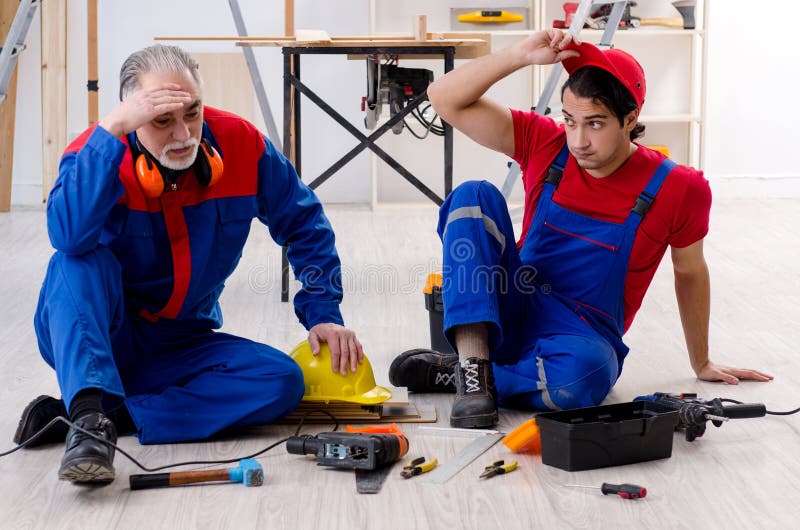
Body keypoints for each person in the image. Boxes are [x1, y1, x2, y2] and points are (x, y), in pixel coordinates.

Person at [13, 44, 364, 483]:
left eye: (191, 113)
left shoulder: (240, 143)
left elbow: (304, 223)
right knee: (77, 262)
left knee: (281, 381)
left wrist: (323, 314)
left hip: (181, 343)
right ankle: (87, 421)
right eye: (162, 119)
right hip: (101, 335)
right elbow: (66, 236)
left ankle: (113, 414)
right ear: (132, 115)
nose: (183, 135)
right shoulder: (96, 152)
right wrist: (113, 130)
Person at [388, 29, 772, 428]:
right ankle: (473, 366)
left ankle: (464, 374)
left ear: (631, 119)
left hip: (580, 335)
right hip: (513, 301)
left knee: (581, 380)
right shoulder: (545, 143)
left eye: (595, 123)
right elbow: (444, 99)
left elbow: (690, 272)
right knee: (472, 197)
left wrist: (701, 360)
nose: (578, 140)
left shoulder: (679, 188)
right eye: (570, 120)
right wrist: (519, 54)